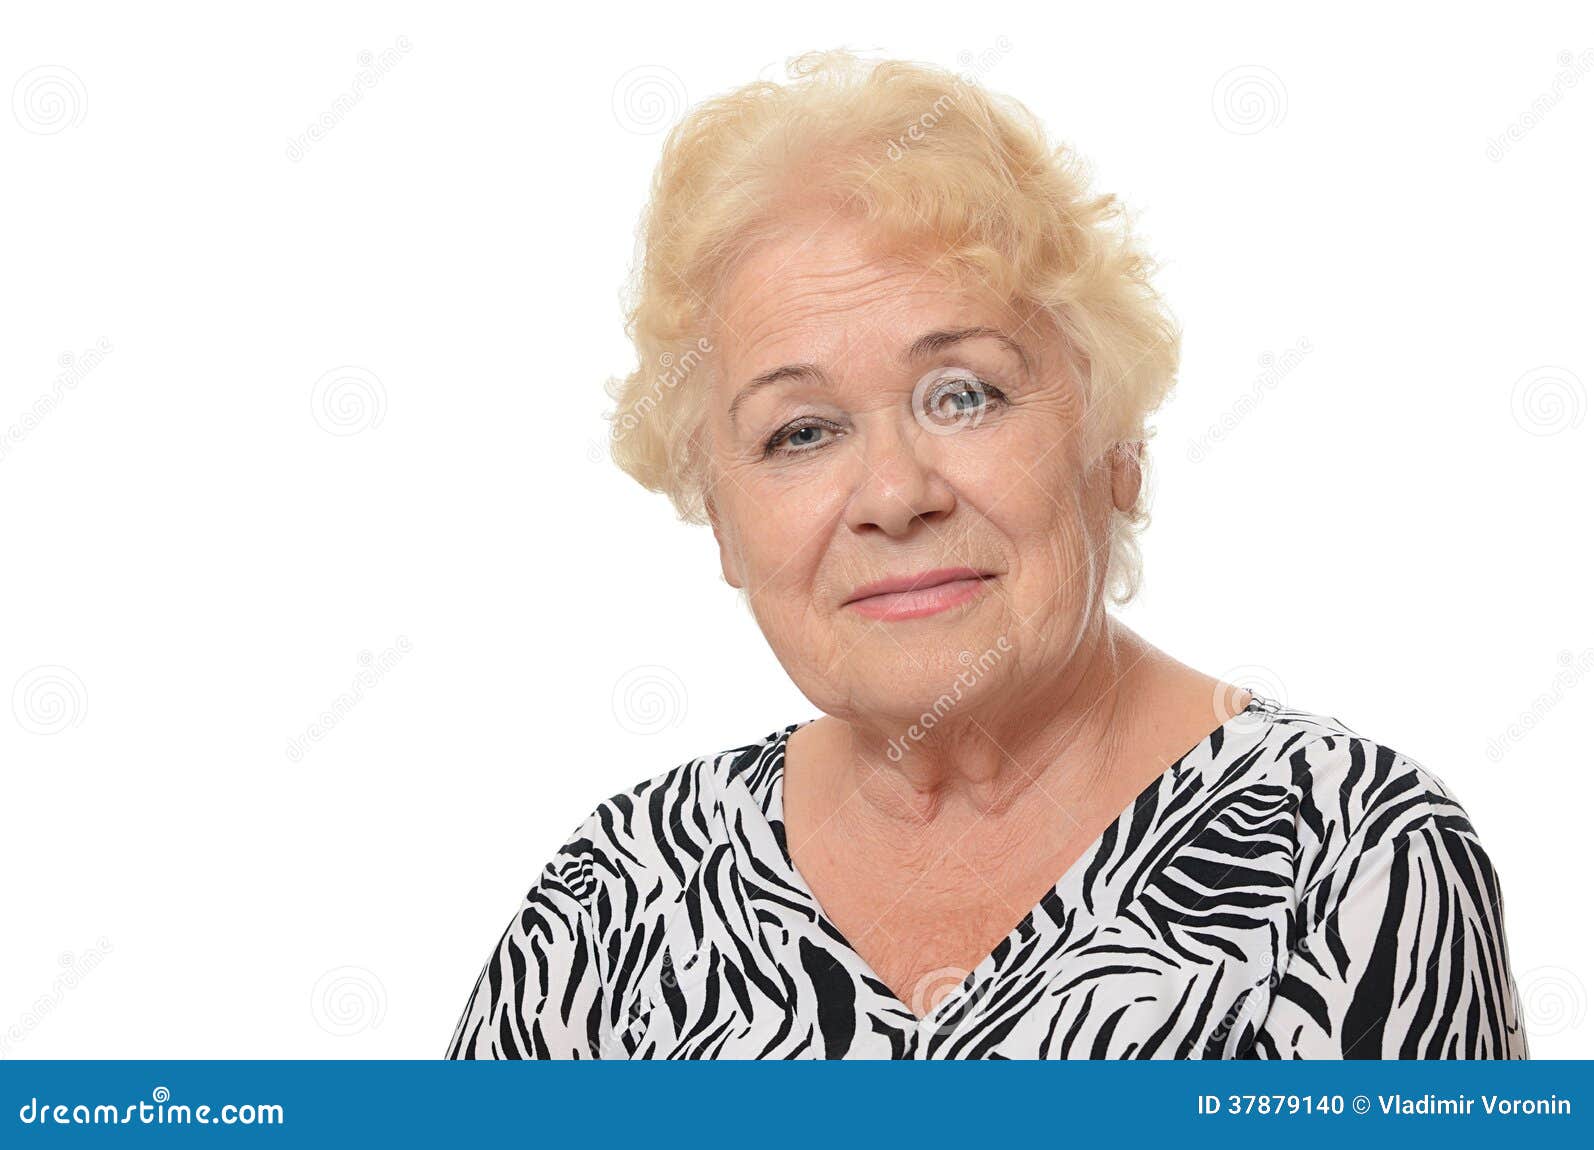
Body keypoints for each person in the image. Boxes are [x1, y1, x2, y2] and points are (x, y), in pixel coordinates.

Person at [447, 50, 1524, 1059]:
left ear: (1116, 445)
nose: (894, 495)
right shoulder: (615, 897)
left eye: (963, 395)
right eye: (801, 432)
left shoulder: (1350, 857)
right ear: (723, 524)